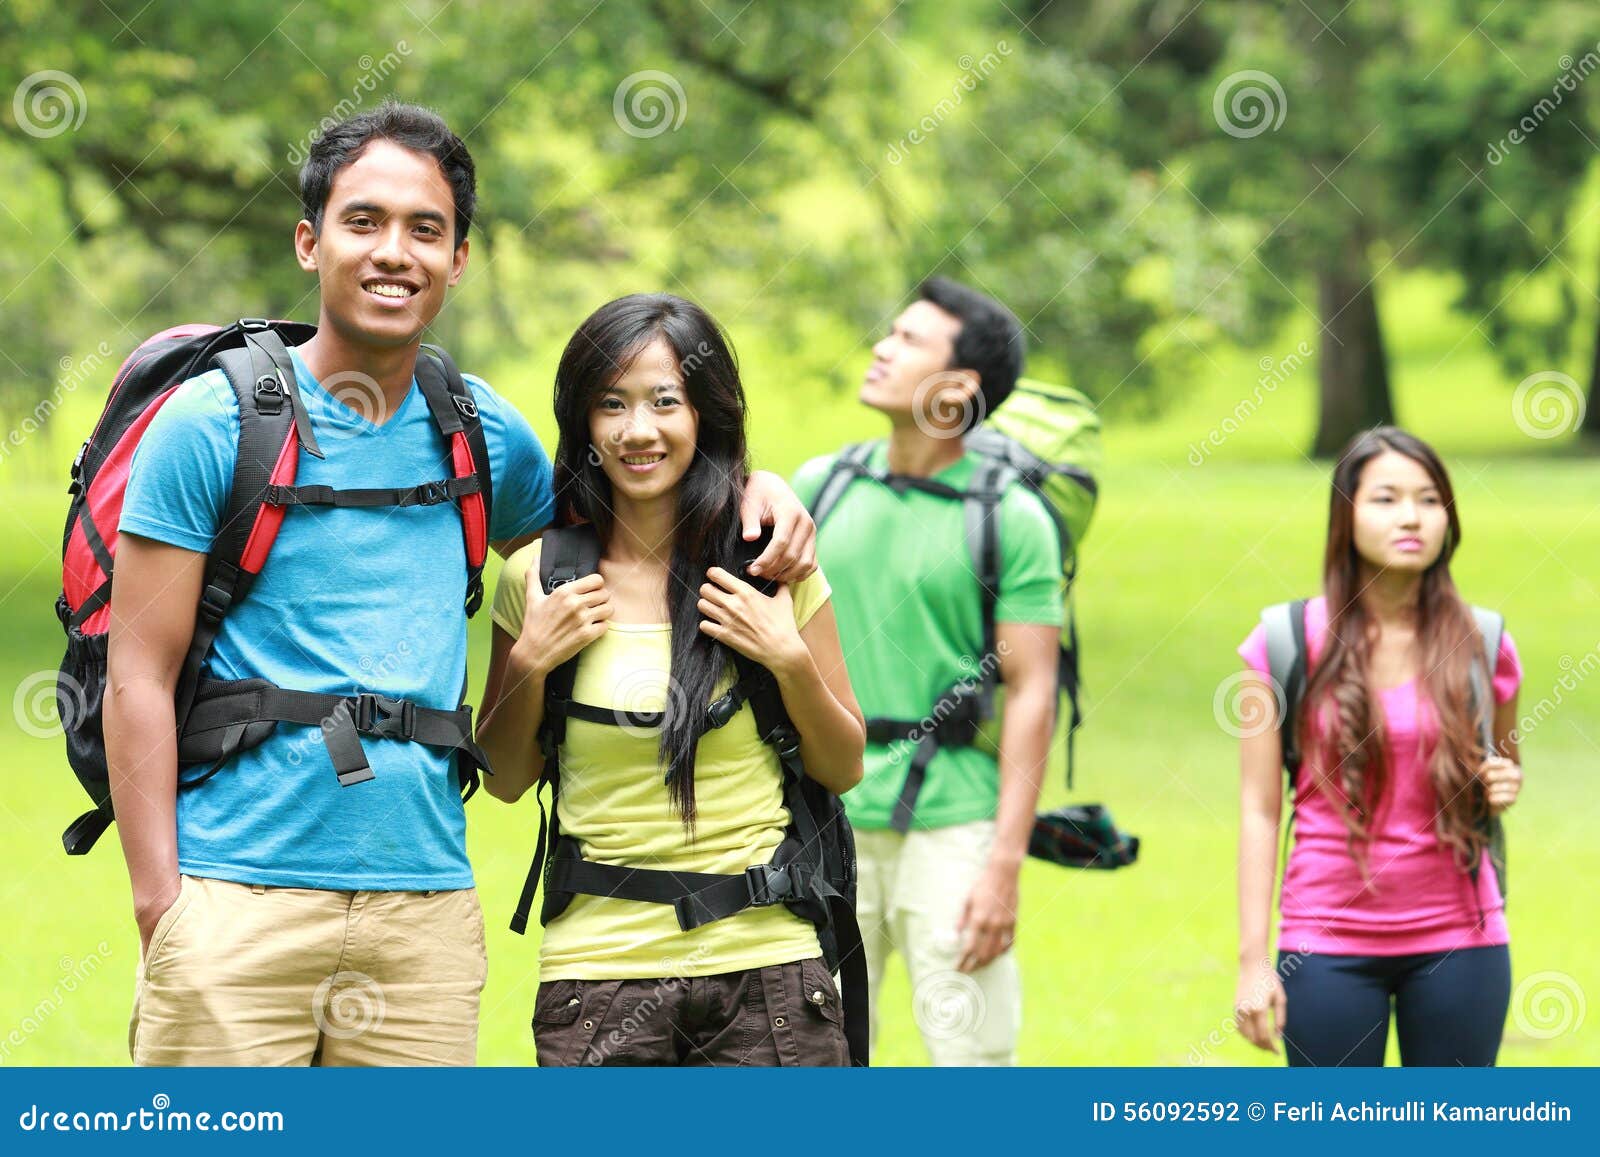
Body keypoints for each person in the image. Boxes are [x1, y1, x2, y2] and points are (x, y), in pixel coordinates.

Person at [107, 102, 818, 1066]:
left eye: (425, 229)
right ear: (310, 242)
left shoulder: (479, 431)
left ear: (459, 259)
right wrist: (163, 904)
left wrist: (748, 487)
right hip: (237, 894)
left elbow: (631, 529)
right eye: (364, 222)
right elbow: (135, 677)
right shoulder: (209, 424)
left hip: (426, 915)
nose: (393, 252)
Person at [475, 293, 865, 1066]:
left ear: (705, 415)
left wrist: (788, 658)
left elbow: (842, 764)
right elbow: (507, 778)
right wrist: (528, 664)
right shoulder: (538, 579)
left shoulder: (770, 572)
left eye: (665, 401)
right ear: (583, 422)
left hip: (769, 974)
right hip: (599, 980)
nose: (638, 430)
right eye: (611, 405)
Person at [791, 277, 1063, 1065]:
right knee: (819, 1058)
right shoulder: (822, 487)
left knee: (968, 1061)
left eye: (911, 340)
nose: (882, 347)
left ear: (959, 387)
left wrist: (1004, 865)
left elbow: (1031, 689)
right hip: (825, 818)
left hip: (955, 824)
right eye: (891, 331)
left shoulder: (1010, 517)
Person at [1234, 426, 1524, 1067]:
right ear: (1347, 514)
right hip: (1325, 946)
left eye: (1429, 500)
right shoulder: (1283, 642)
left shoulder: (1486, 641)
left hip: (1462, 942)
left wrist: (1504, 784)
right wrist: (1253, 960)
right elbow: (1259, 808)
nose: (1412, 517)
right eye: (1387, 499)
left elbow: (1502, 774)